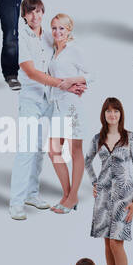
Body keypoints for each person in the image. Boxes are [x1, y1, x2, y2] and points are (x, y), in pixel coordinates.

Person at [10, 0, 74, 219]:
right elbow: (31, 72)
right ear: (24, 16)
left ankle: (32, 194)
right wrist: (60, 83)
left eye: (38, 11)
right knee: (26, 149)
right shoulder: (22, 38)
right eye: (30, 12)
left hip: (49, 99)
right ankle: (16, 203)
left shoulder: (48, 36)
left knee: (38, 149)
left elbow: (63, 54)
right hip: (31, 98)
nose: (35, 16)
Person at [85, 98, 133, 265]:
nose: (112, 114)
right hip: (103, 197)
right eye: (108, 111)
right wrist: (94, 182)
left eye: (116, 110)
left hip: (123, 197)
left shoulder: (131, 138)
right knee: (107, 244)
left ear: (120, 113)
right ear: (104, 114)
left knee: (117, 244)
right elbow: (87, 160)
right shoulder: (97, 138)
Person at [45, 12, 91, 212]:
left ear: (69, 30)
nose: (57, 32)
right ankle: (67, 194)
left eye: (61, 28)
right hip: (57, 106)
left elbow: (92, 75)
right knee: (54, 151)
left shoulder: (75, 50)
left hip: (72, 106)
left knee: (75, 151)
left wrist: (72, 81)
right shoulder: (53, 50)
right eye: (54, 28)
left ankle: (72, 197)